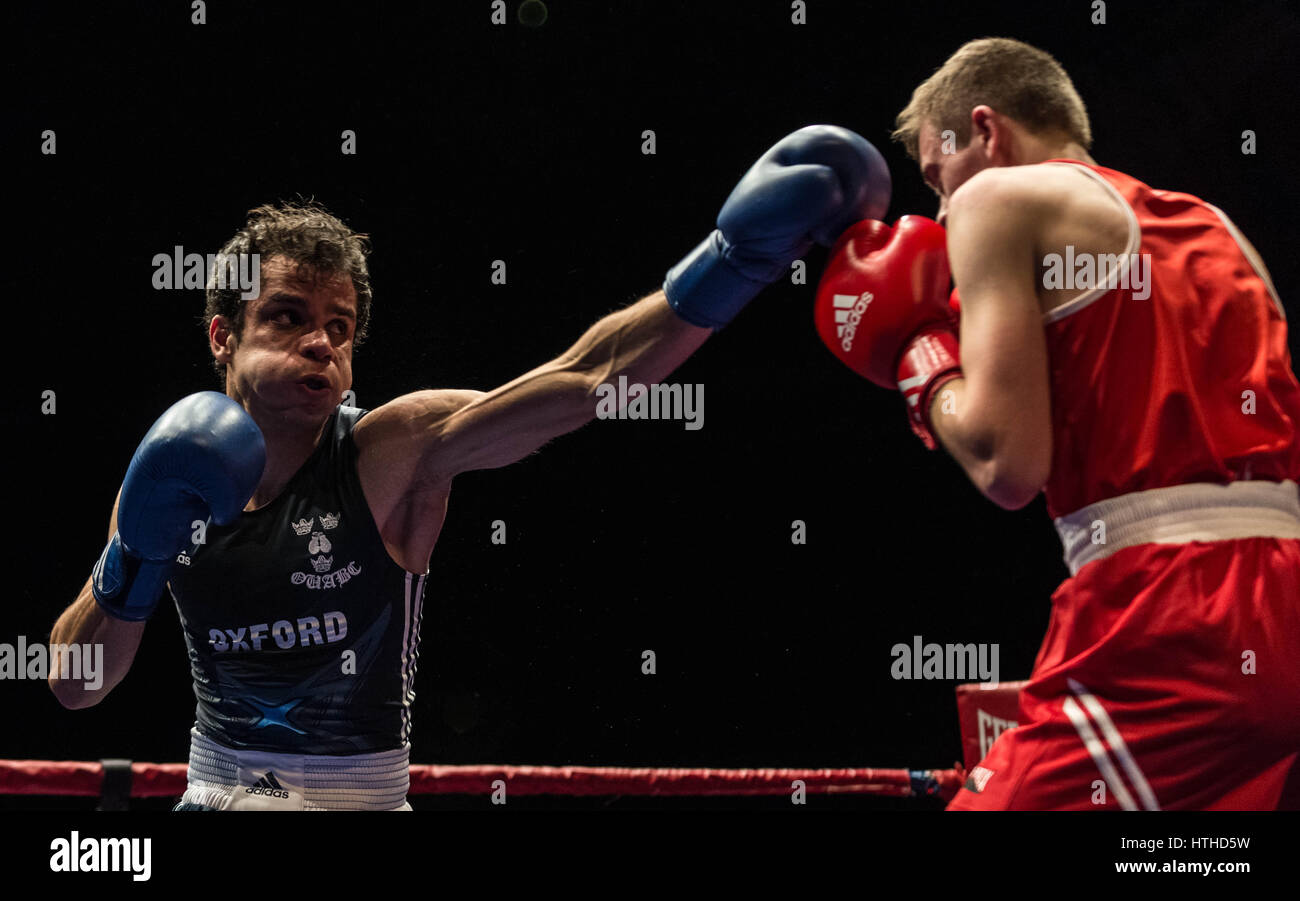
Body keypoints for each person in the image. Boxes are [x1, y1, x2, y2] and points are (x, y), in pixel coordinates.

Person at [47, 126, 891, 810]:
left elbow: (585, 380)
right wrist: (133, 558)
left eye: (340, 327)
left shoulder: (391, 450)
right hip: (214, 793)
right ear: (221, 334)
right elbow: (76, 687)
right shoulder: (173, 471)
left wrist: (728, 263)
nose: (321, 343)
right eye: (288, 316)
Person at [814, 37, 1300, 809]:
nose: (943, 209)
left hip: (1168, 615)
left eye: (940, 178)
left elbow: (1008, 465)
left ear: (986, 130)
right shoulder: (1218, 227)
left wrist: (919, 357)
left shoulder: (995, 201)